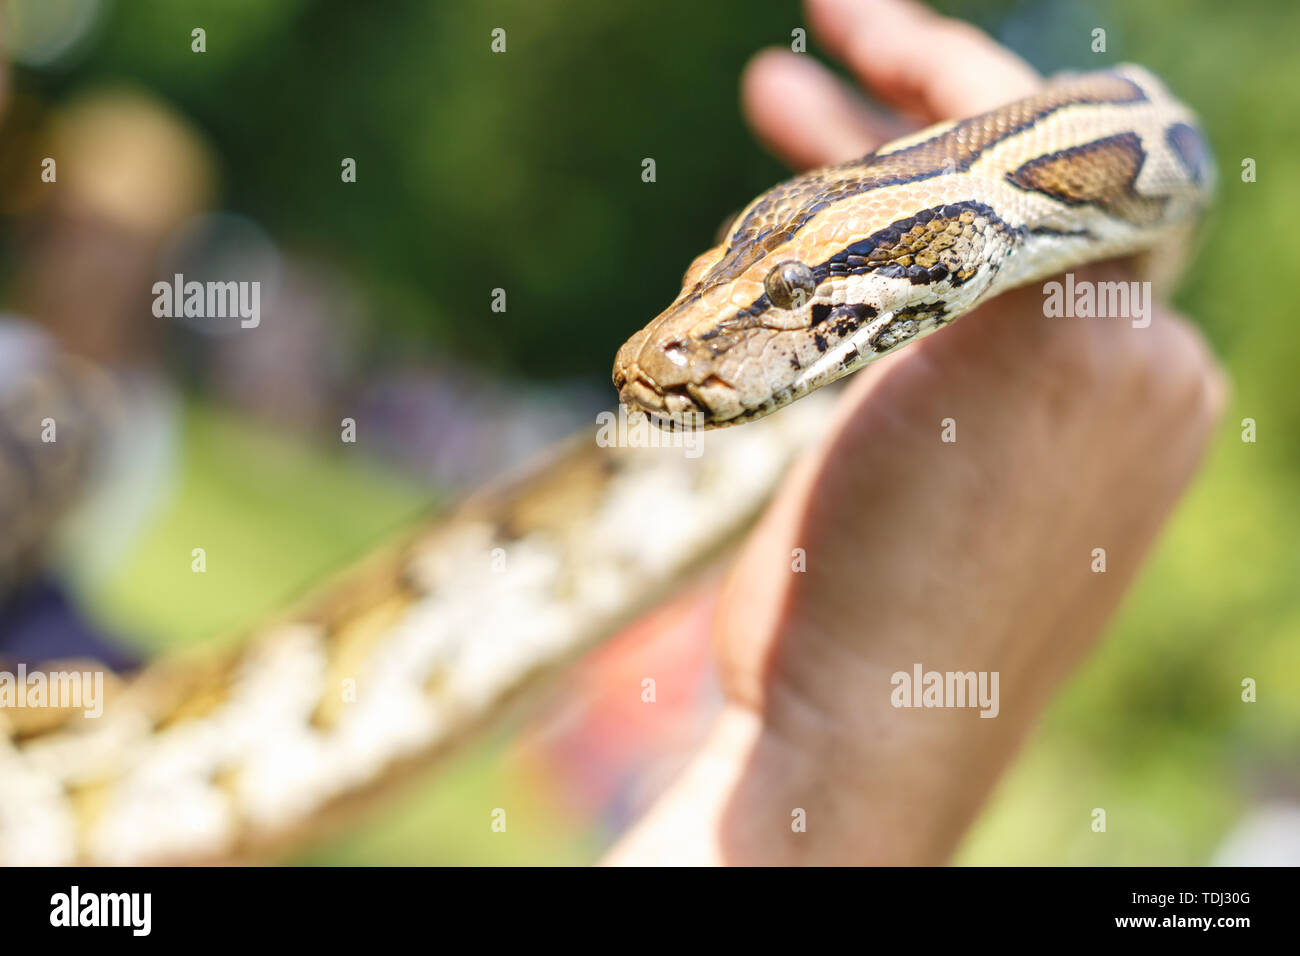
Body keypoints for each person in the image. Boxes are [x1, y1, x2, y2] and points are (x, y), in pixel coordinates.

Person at [604, 0, 1225, 865]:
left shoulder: (995, 211)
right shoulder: (993, 214)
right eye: (714, 281)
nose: (663, 356)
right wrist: (822, 744)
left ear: (953, 238)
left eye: (786, 296)